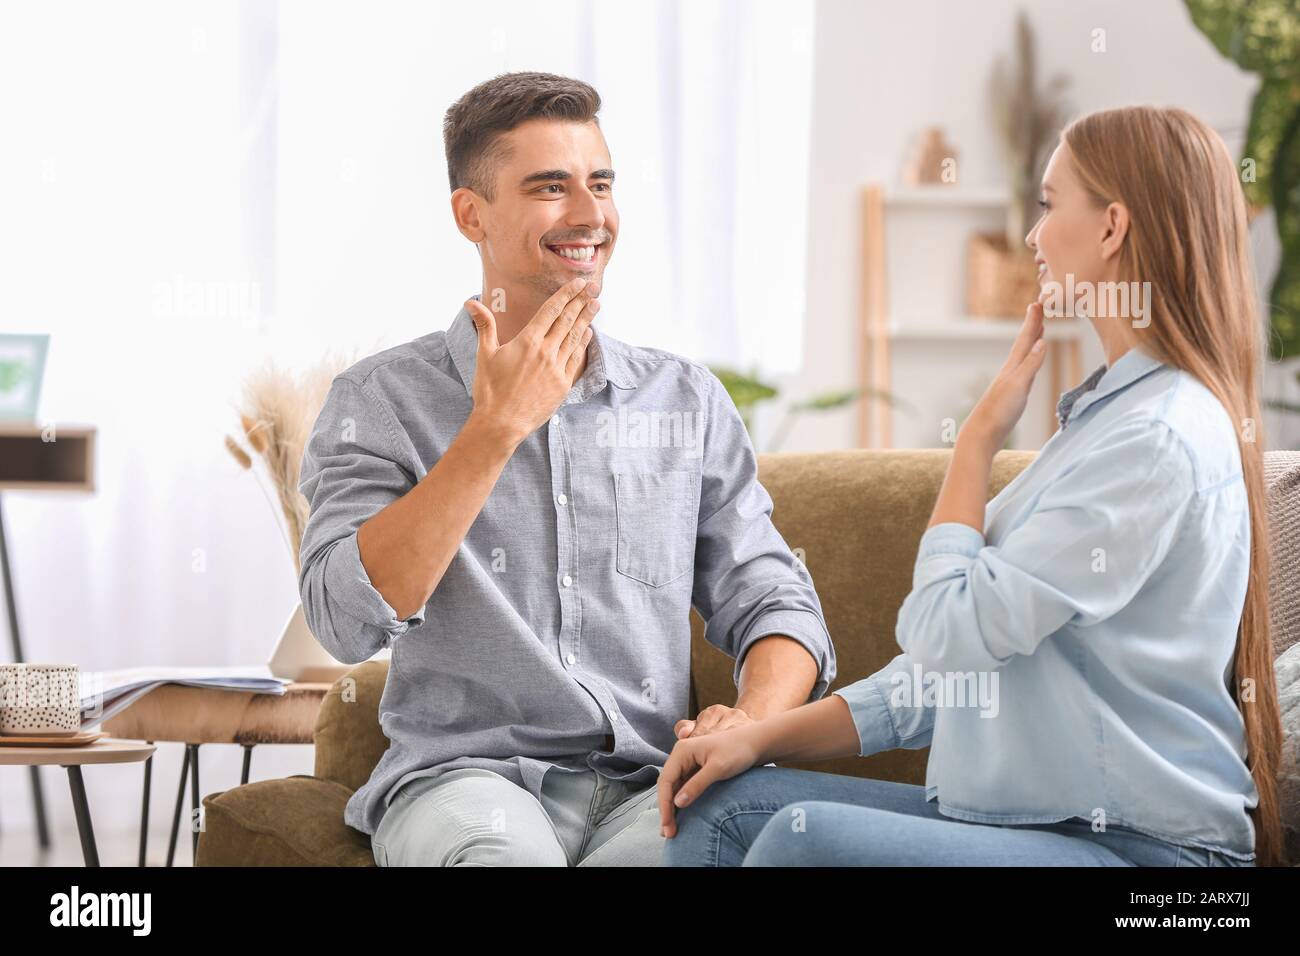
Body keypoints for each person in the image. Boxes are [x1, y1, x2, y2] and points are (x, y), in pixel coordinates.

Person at [658, 105, 1286, 868]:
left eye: (1050, 205)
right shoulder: (1104, 422)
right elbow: (942, 678)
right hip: (1028, 830)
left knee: (807, 847)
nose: (1031, 235)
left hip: (1141, 853)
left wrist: (977, 442)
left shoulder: (1156, 437)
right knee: (721, 804)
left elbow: (946, 630)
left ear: (1113, 227)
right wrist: (753, 737)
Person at [296, 71, 836, 866]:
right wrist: (494, 429)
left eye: (602, 184)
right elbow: (343, 621)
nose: (590, 216)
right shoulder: (381, 399)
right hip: (464, 781)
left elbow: (774, 598)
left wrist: (752, 716)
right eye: (551, 188)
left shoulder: (682, 399)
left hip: (656, 788)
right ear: (470, 214)